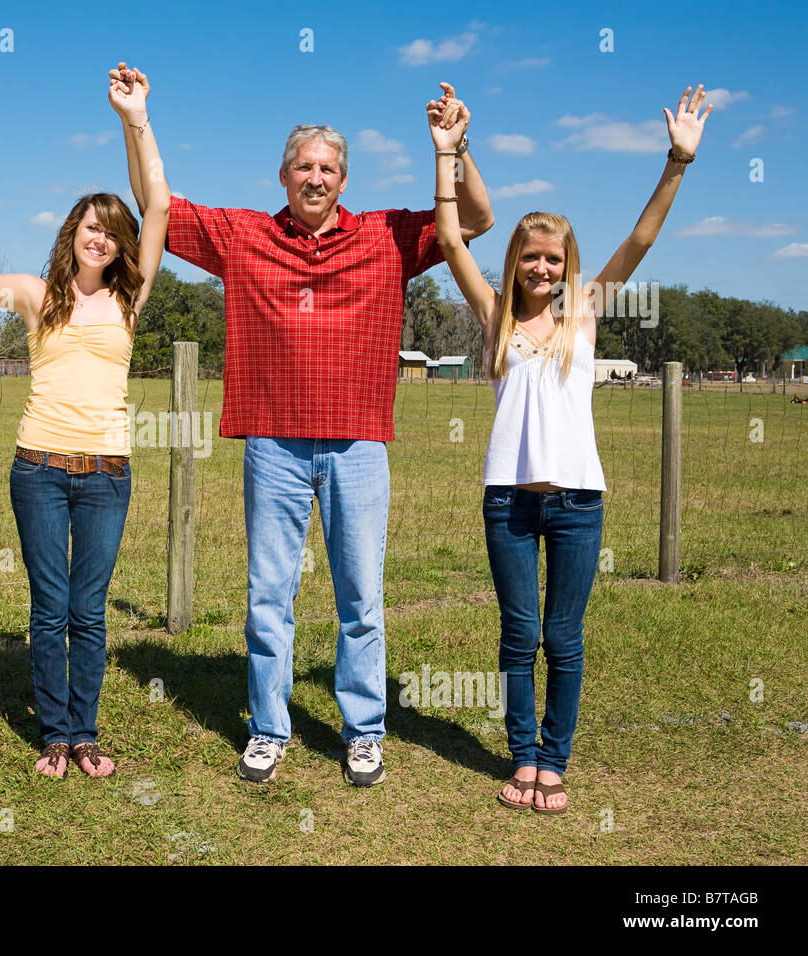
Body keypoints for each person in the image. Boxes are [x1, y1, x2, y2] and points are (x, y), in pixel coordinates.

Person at [122, 77, 494, 785]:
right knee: (269, 597)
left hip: (358, 444)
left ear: (344, 179)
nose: (315, 178)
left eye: (327, 168)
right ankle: (268, 728)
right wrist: (138, 121)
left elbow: (475, 219)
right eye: (303, 167)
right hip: (274, 443)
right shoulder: (244, 235)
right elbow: (156, 206)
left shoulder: (388, 235)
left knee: (361, 599)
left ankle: (363, 732)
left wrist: (455, 149)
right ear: (284, 176)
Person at [428, 85, 711, 813]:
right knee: (518, 636)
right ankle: (521, 756)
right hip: (509, 503)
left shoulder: (586, 313)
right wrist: (449, 155)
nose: (542, 270)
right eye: (531, 258)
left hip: (580, 501)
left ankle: (555, 760)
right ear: (516, 260)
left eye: (554, 260)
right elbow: (453, 240)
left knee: (564, 635)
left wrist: (676, 161)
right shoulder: (492, 319)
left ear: (568, 265)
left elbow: (641, 240)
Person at [0, 65, 169, 777]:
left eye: (110, 232)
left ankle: (87, 731)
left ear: (121, 245)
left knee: (87, 613)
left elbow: (157, 205)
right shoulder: (39, 296)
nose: (99, 238)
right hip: (38, 468)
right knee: (49, 608)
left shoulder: (130, 300)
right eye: (90, 228)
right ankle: (54, 737)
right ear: (72, 234)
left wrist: (136, 116)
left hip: (106, 474)